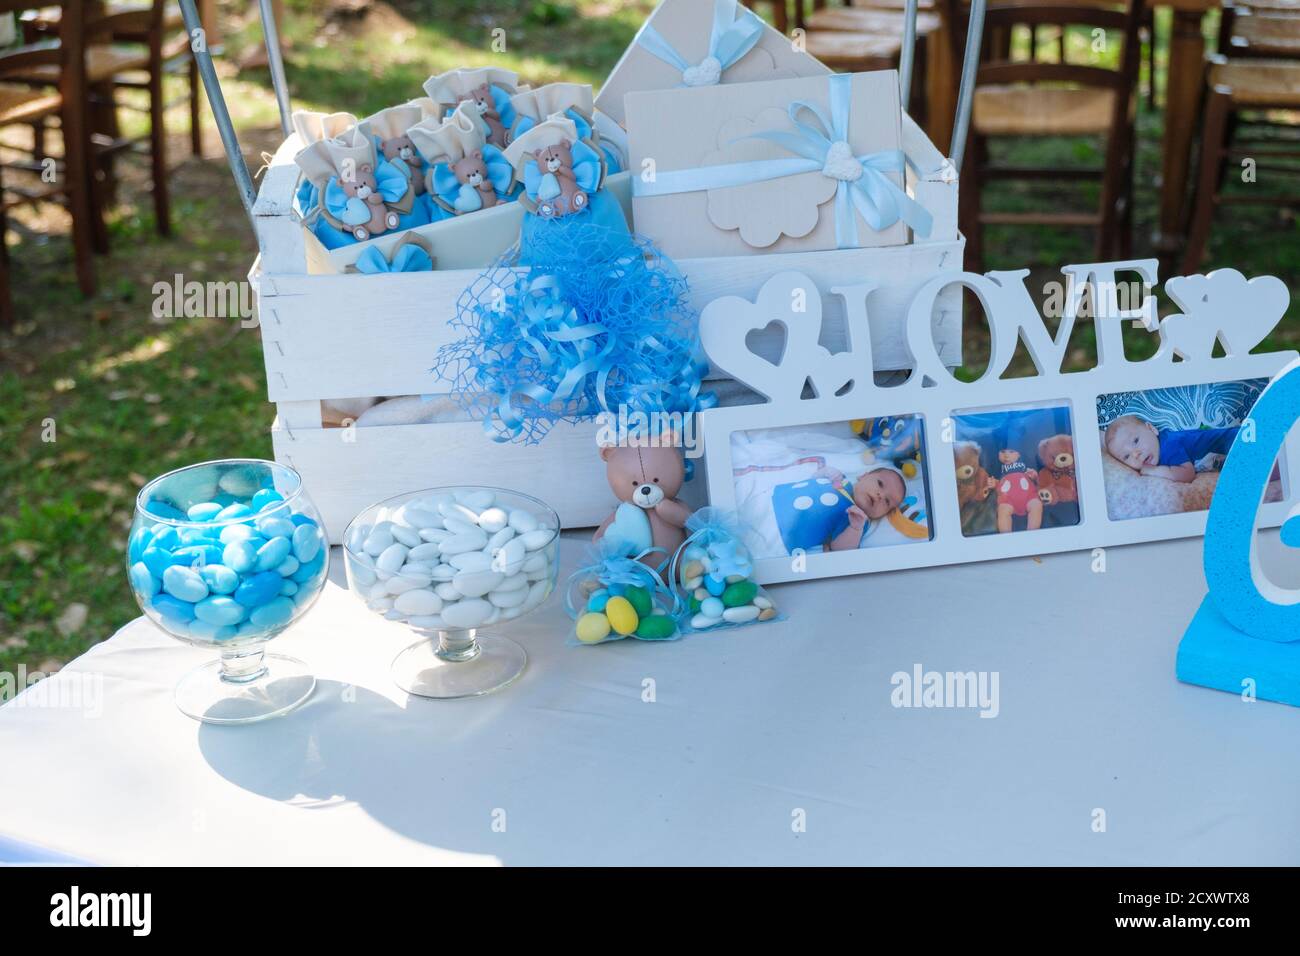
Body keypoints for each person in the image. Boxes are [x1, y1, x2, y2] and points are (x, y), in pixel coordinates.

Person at [1104, 414, 1238, 483]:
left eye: (1136, 441)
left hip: (1236, 441)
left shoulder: (1168, 444)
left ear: (1152, 429)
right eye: (1126, 456)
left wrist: (1154, 471)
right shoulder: (1157, 449)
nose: (1136, 454)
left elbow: (1187, 474)